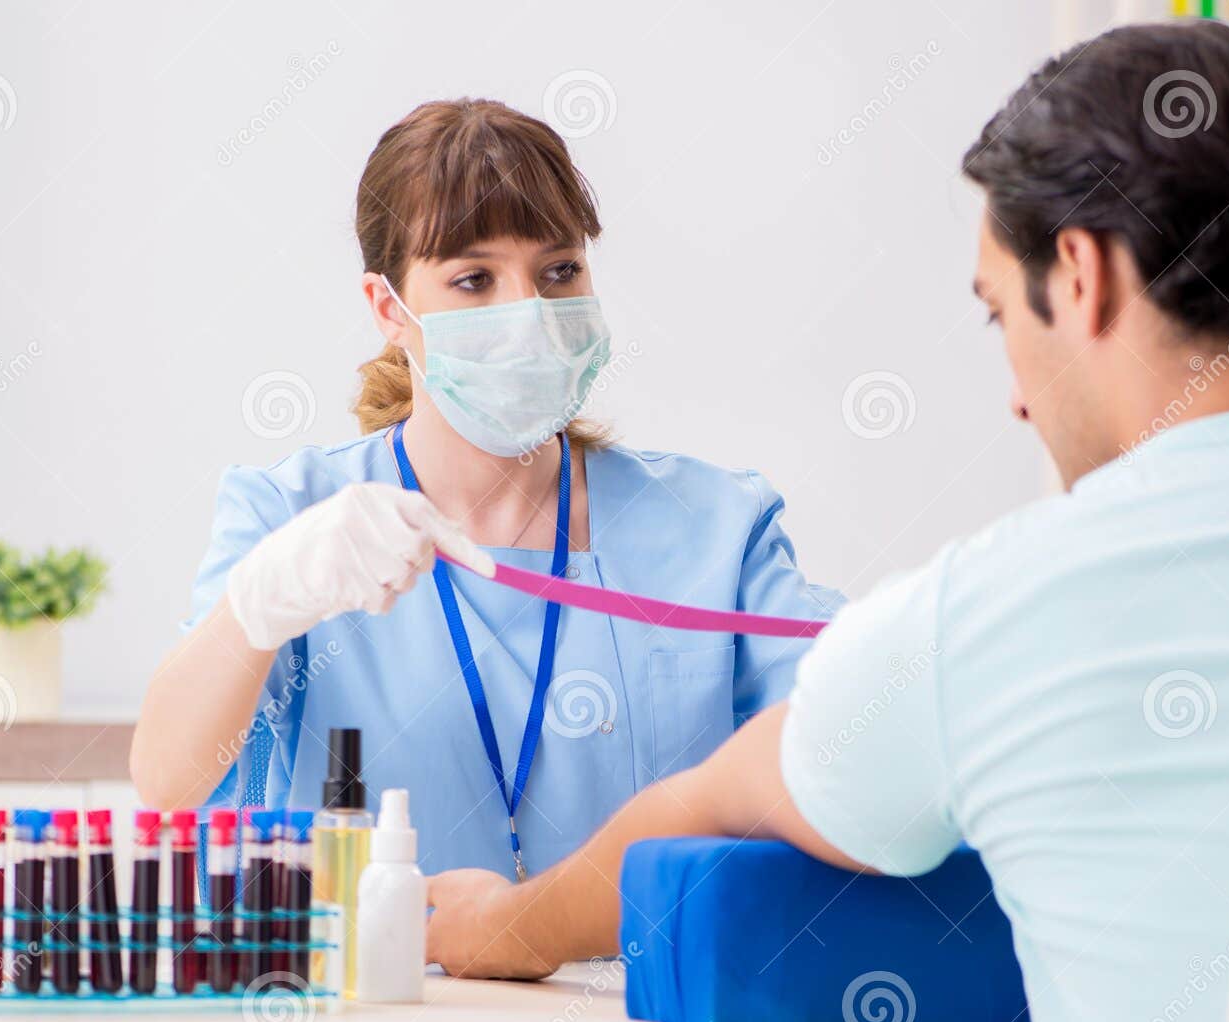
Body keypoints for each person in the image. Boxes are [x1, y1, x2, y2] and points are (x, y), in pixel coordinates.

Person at [423, 22, 1229, 1022]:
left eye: (1003, 315)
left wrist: (499, 926)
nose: (1013, 398)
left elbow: (705, 803)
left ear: (1083, 277)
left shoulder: (980, 615)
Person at [131, 99, 838, 880]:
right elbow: (169, 786)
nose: (529, 313)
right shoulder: (292, 515)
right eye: (473, 279)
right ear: (387, 308)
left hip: (634, 1001)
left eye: (559, 270)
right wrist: (257, 606)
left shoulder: (716, 528)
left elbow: (845, 748)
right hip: (379, 996)